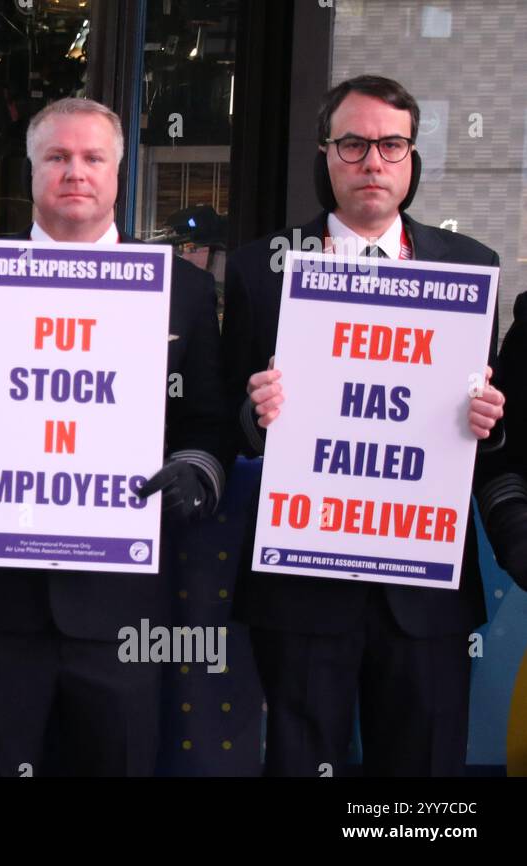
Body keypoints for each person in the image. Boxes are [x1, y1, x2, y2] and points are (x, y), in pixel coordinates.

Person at [0, 97, 231, 776]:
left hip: (126, 607)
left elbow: (208, 422)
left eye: (92, 158)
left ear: (117, 171)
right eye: (57, 157)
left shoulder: (183, 292)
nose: (74, 172)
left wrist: (195, 474)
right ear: (31, 170)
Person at [221, 74, 505, 776]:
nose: (372, 161)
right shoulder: (263, 266)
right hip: (302, 583)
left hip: (424, 590)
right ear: (325, 154)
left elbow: (487, 423)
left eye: (390, 145)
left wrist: (488, 421)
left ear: (412, 159)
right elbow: (226, 412)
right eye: (352, 144)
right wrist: (256, 414)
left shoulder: (471, 267)